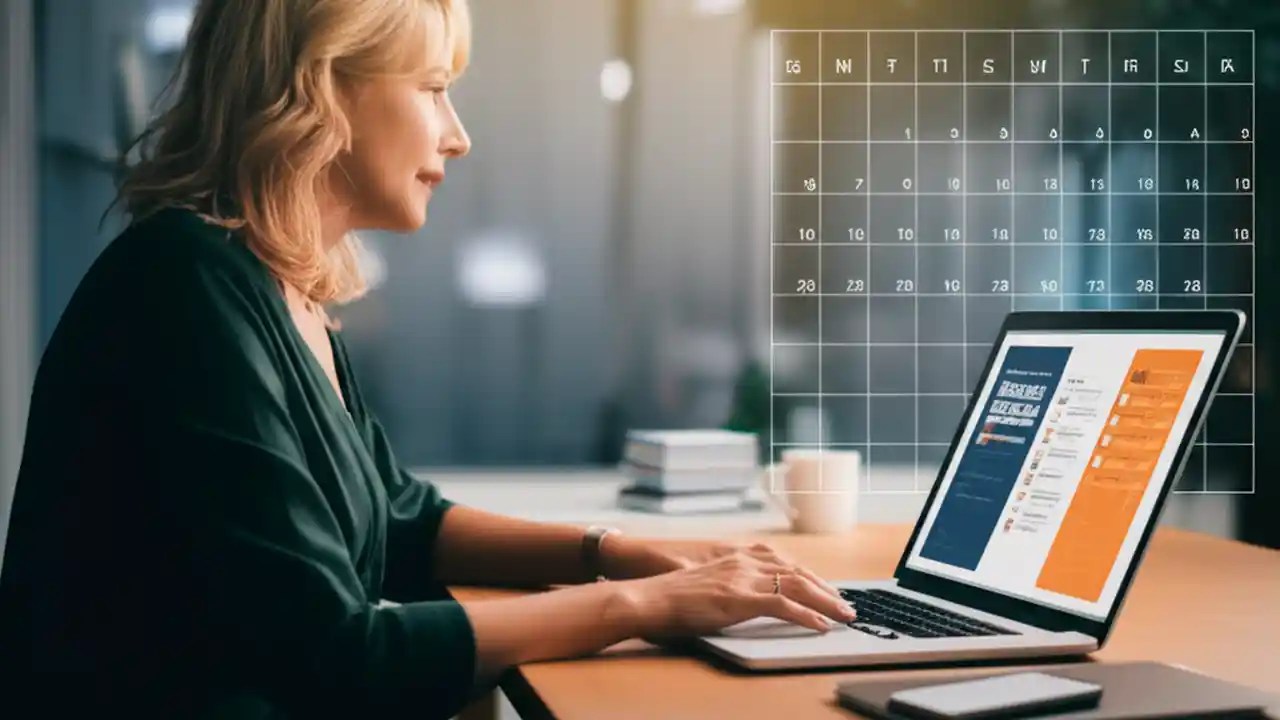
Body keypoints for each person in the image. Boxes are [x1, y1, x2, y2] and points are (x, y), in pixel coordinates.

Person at [0, 0, 856, 716]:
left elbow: (400, 519)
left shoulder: (280, 288)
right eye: (434, 90)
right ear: (321, 90)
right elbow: (338, 652)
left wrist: (614, 551)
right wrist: (641, 605)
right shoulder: (182, 291)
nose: (458, 136)